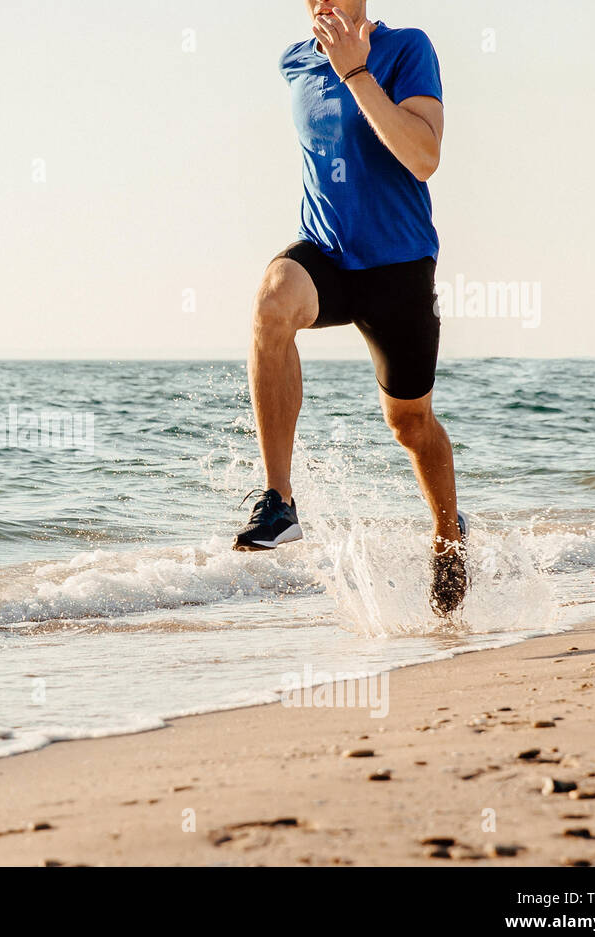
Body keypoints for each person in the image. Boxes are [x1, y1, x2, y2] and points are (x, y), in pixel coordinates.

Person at [233, 2, 467, 615]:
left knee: (410, 426)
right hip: (329, 258)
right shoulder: (294, 63)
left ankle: (448, 534)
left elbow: (423, 156)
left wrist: (356, 73)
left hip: (398, 267)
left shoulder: (407, 49)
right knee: (273, 299)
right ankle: (279, 500)